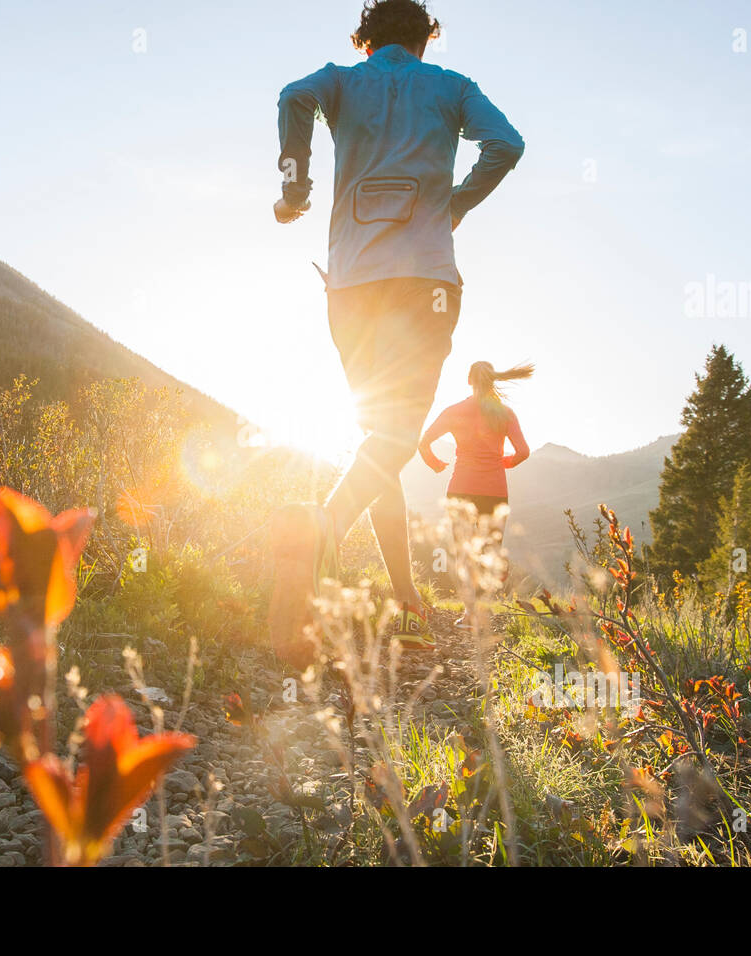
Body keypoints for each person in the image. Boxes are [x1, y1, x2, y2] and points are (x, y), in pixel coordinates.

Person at [267, 0, 525, 664]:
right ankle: (321, 533)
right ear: (424, 41)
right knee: (389, 439)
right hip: (425, 285)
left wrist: (295, 189)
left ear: (366, 39)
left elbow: (293, 98)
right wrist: (454, 206)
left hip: (350, 288)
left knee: (381, 442)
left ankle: (405, 599)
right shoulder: (450, 89)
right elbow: (508, 145)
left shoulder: (342, 82)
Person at [418, 361, 532, 626]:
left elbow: (424, 442)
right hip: (495, 491)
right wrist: (504, 462)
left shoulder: (454, 411)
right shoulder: (505, 413)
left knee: (465, 553)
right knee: (491, 552)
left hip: (460, 490)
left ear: (469, 379)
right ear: (493, 380)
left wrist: (435, 464)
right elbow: (523, 452)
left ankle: (470, 613)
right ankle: (483, 608)